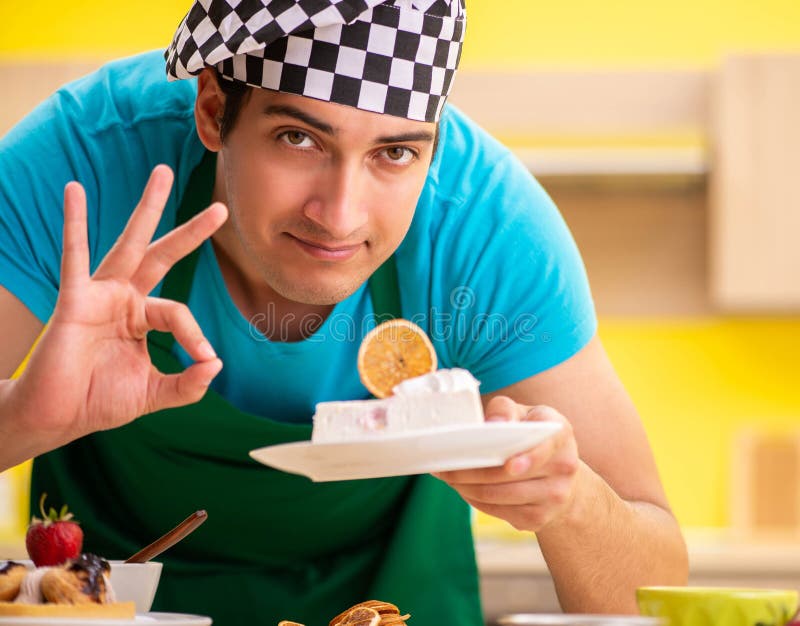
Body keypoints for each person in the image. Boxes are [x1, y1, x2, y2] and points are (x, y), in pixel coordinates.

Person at [0, 1, 688, 624]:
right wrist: (28, 417)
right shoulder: (82, 162)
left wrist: (571, 503)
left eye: (394, 153)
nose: (340, 215)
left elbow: (657, 595)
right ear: (212, 110)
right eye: (299, 140)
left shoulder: (488, 229)